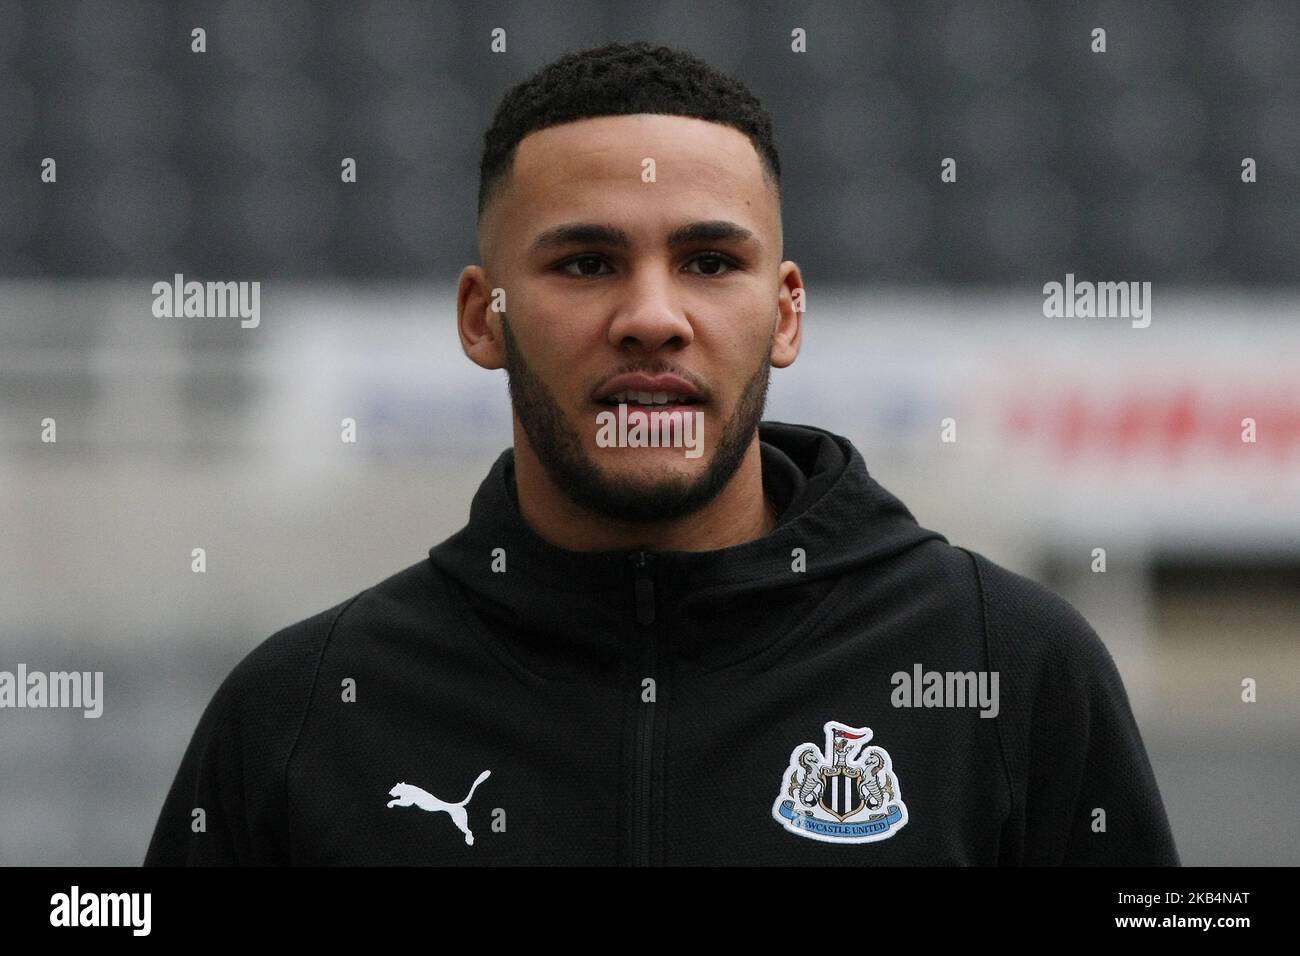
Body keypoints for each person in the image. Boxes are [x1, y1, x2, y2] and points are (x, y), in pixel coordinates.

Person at [144, 40, 1179, 866]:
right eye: (586, 262)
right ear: (481, 316)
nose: (652, 316)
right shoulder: (305, 708)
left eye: (709, 261)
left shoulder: (1005, 667)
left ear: (783, 313)